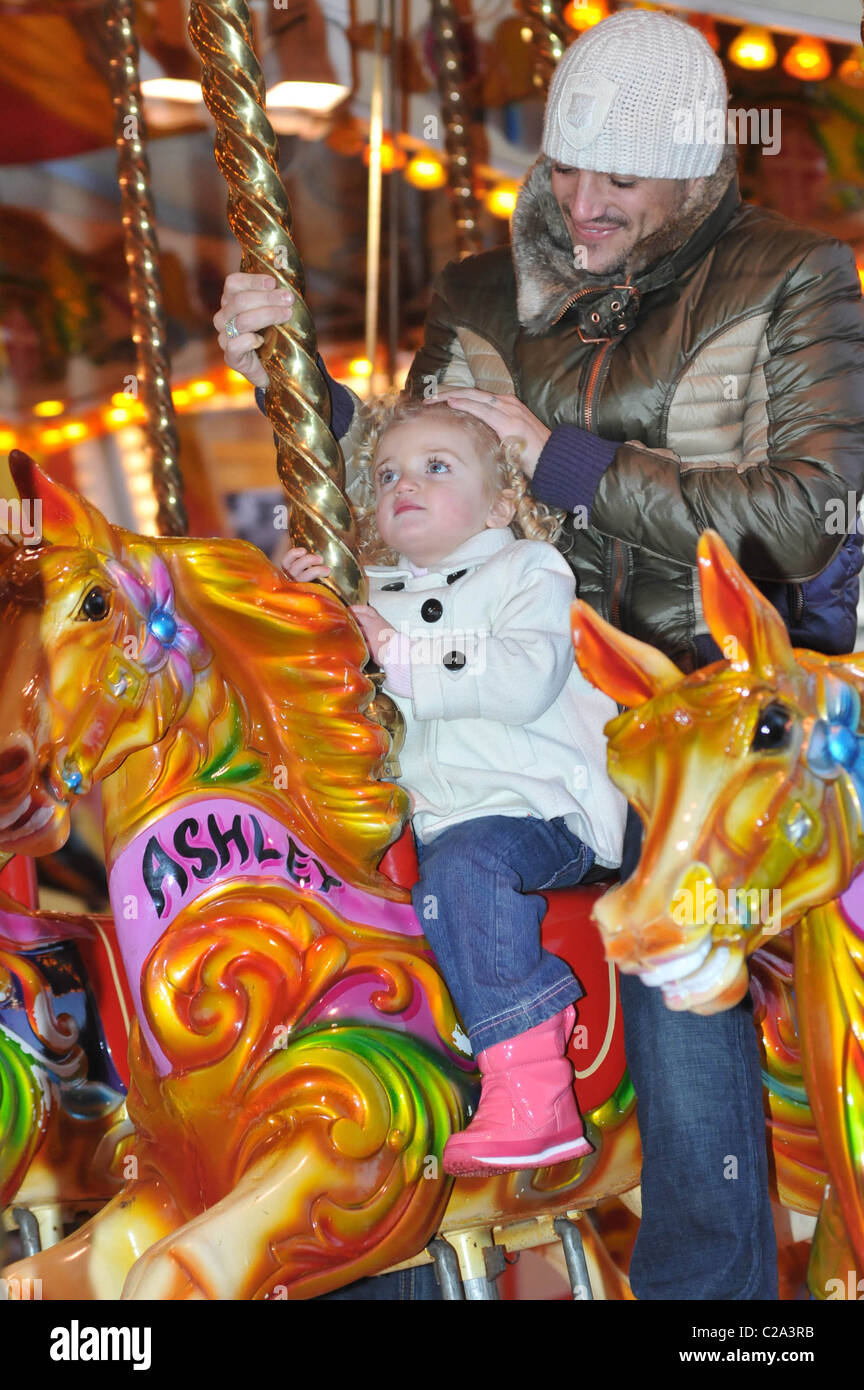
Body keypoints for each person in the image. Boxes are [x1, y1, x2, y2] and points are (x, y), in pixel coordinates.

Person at [215, 10, 864, 1298]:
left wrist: (564, 457)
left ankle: (708, 1286)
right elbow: (408, 473)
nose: (580, 200)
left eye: (618, 175)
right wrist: (295, 377)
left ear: (692, 170)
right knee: (351, 856)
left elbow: (812, 505)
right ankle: (374, 1224)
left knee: (676, 921)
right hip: (493, 665)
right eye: (565, 167)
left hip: (688, 680)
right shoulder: (474, 292)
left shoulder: (795, 274)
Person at [283, 393, 627, 1174]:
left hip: (534, 807)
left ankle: (532, 1088)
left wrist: (396, 654)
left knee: (467, 870)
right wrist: (304, 608)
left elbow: (519, 678)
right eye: (386, 473)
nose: (405, 483)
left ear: (501, 498)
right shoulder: (365, 590)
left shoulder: (527, 570)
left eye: (437, 467)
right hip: (424, 821)